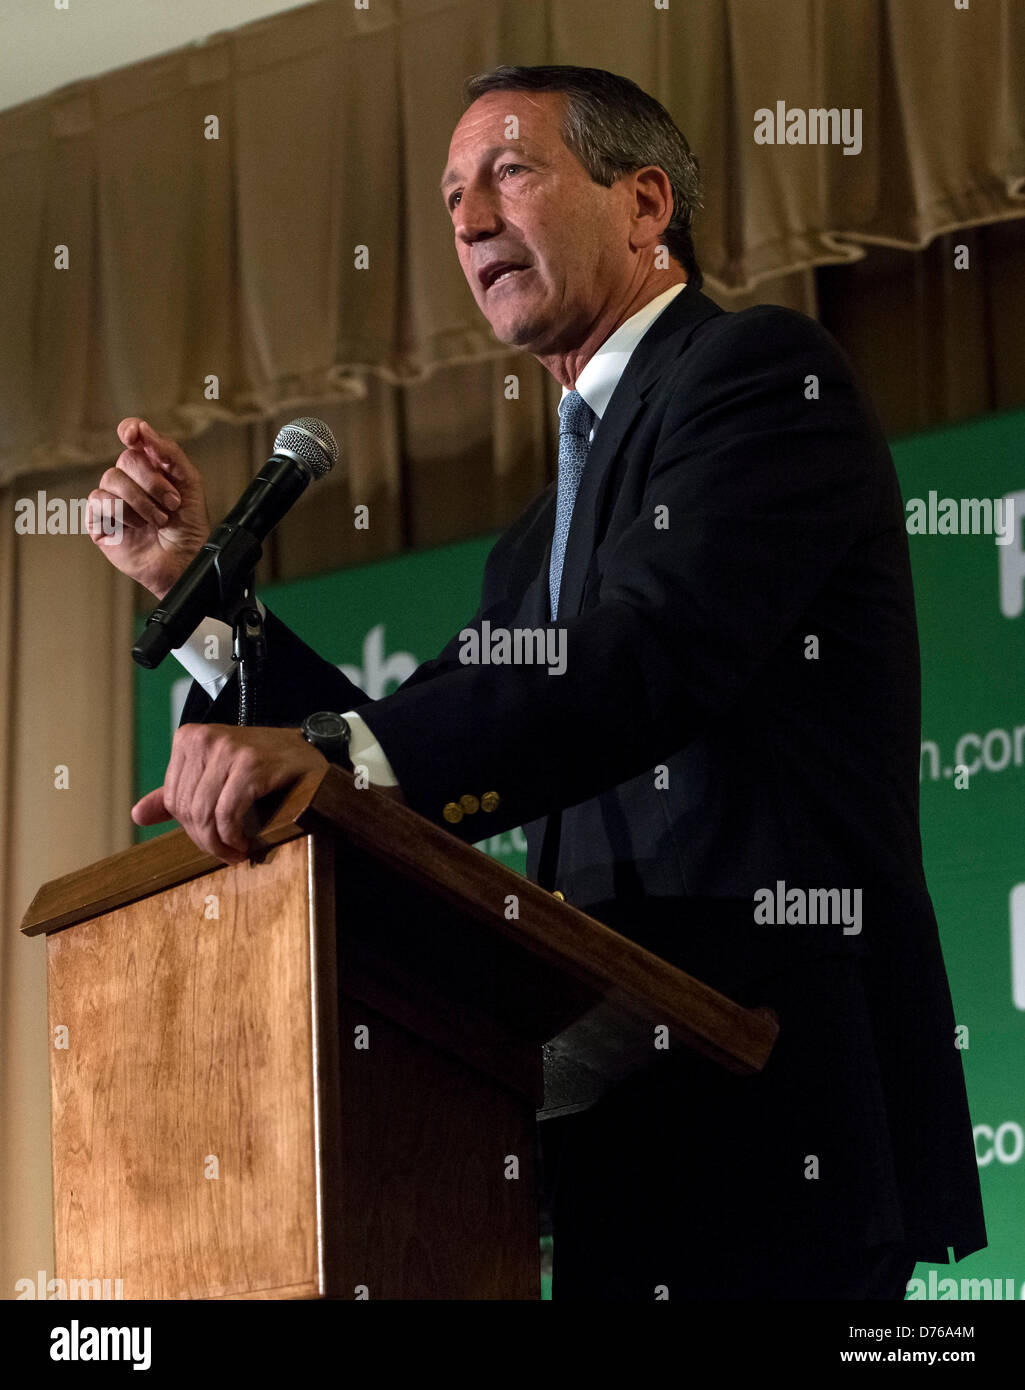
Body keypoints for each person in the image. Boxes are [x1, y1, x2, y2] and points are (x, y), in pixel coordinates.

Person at [88, 65, 986, 1300]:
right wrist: (198, 594)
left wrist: (343, 754)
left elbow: (646, 654)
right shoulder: (537, 533)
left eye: (508, 171)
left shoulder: (761, 377)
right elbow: (424, 740)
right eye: (450, 195)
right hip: (614, 1140)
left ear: (644, 204)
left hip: (778, 1109)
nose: (464, 221)